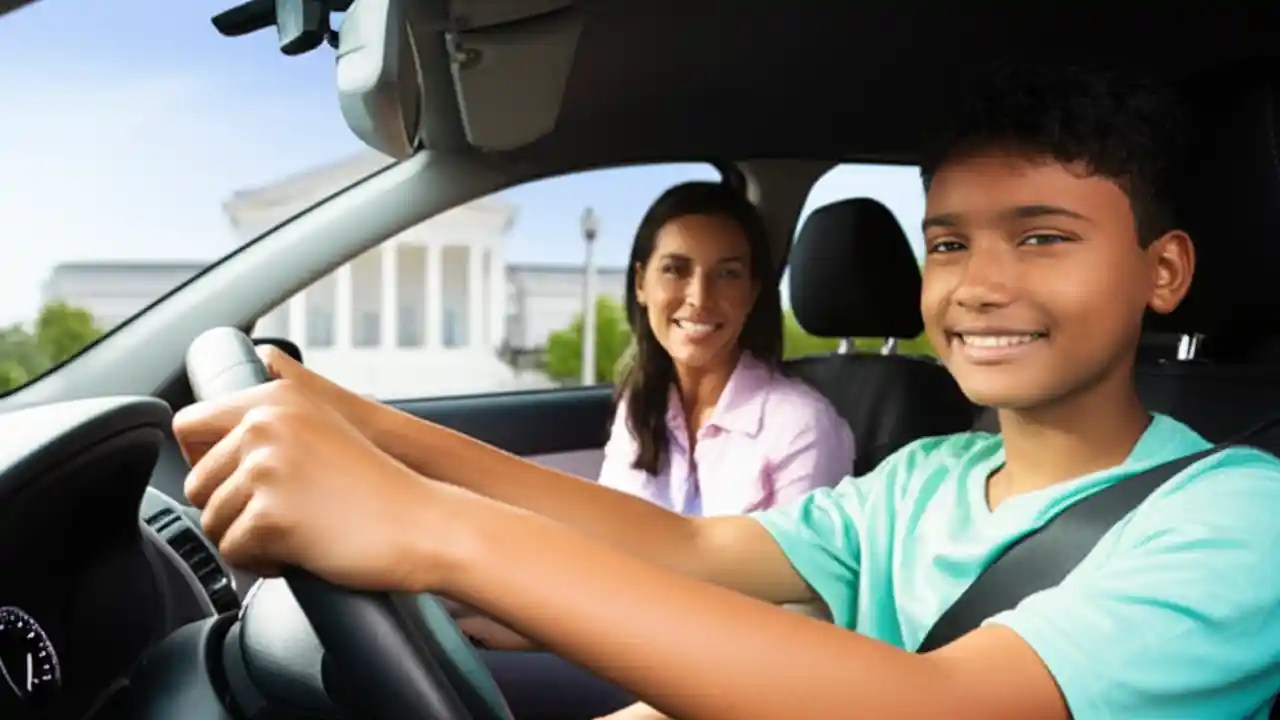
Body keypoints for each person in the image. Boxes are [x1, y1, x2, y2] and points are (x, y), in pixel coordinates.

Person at [174, 65, 1280, 720]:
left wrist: (430, 530)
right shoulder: (923, 479)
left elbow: (937, 707)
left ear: (1161, 272)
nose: (979, 284)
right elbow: (695, 554)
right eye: (945, 243)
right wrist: (376, 431)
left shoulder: (1241, 516)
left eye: (1041, 238)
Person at [598, 181, 854, 516]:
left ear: (752, 293)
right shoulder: (642, 402)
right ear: (641, 284)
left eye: (727, 274)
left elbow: (788, 568)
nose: (699, 298)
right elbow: (608, 530)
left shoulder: (801, 426)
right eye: (676, 269)